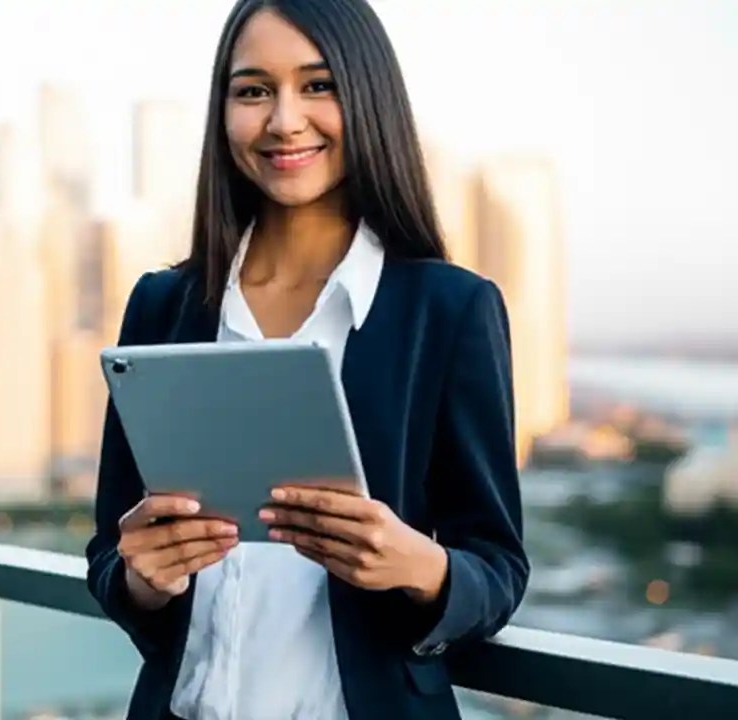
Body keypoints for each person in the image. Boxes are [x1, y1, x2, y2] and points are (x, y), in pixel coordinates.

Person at [84, 0, 530, 718]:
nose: (285, 120)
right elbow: (111, 552)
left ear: (369, 98)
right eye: (253, 90)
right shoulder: (163, 307)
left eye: (318, 85)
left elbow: (499, 568)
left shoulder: (447, 311)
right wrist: (142, 578)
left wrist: (422, 567)